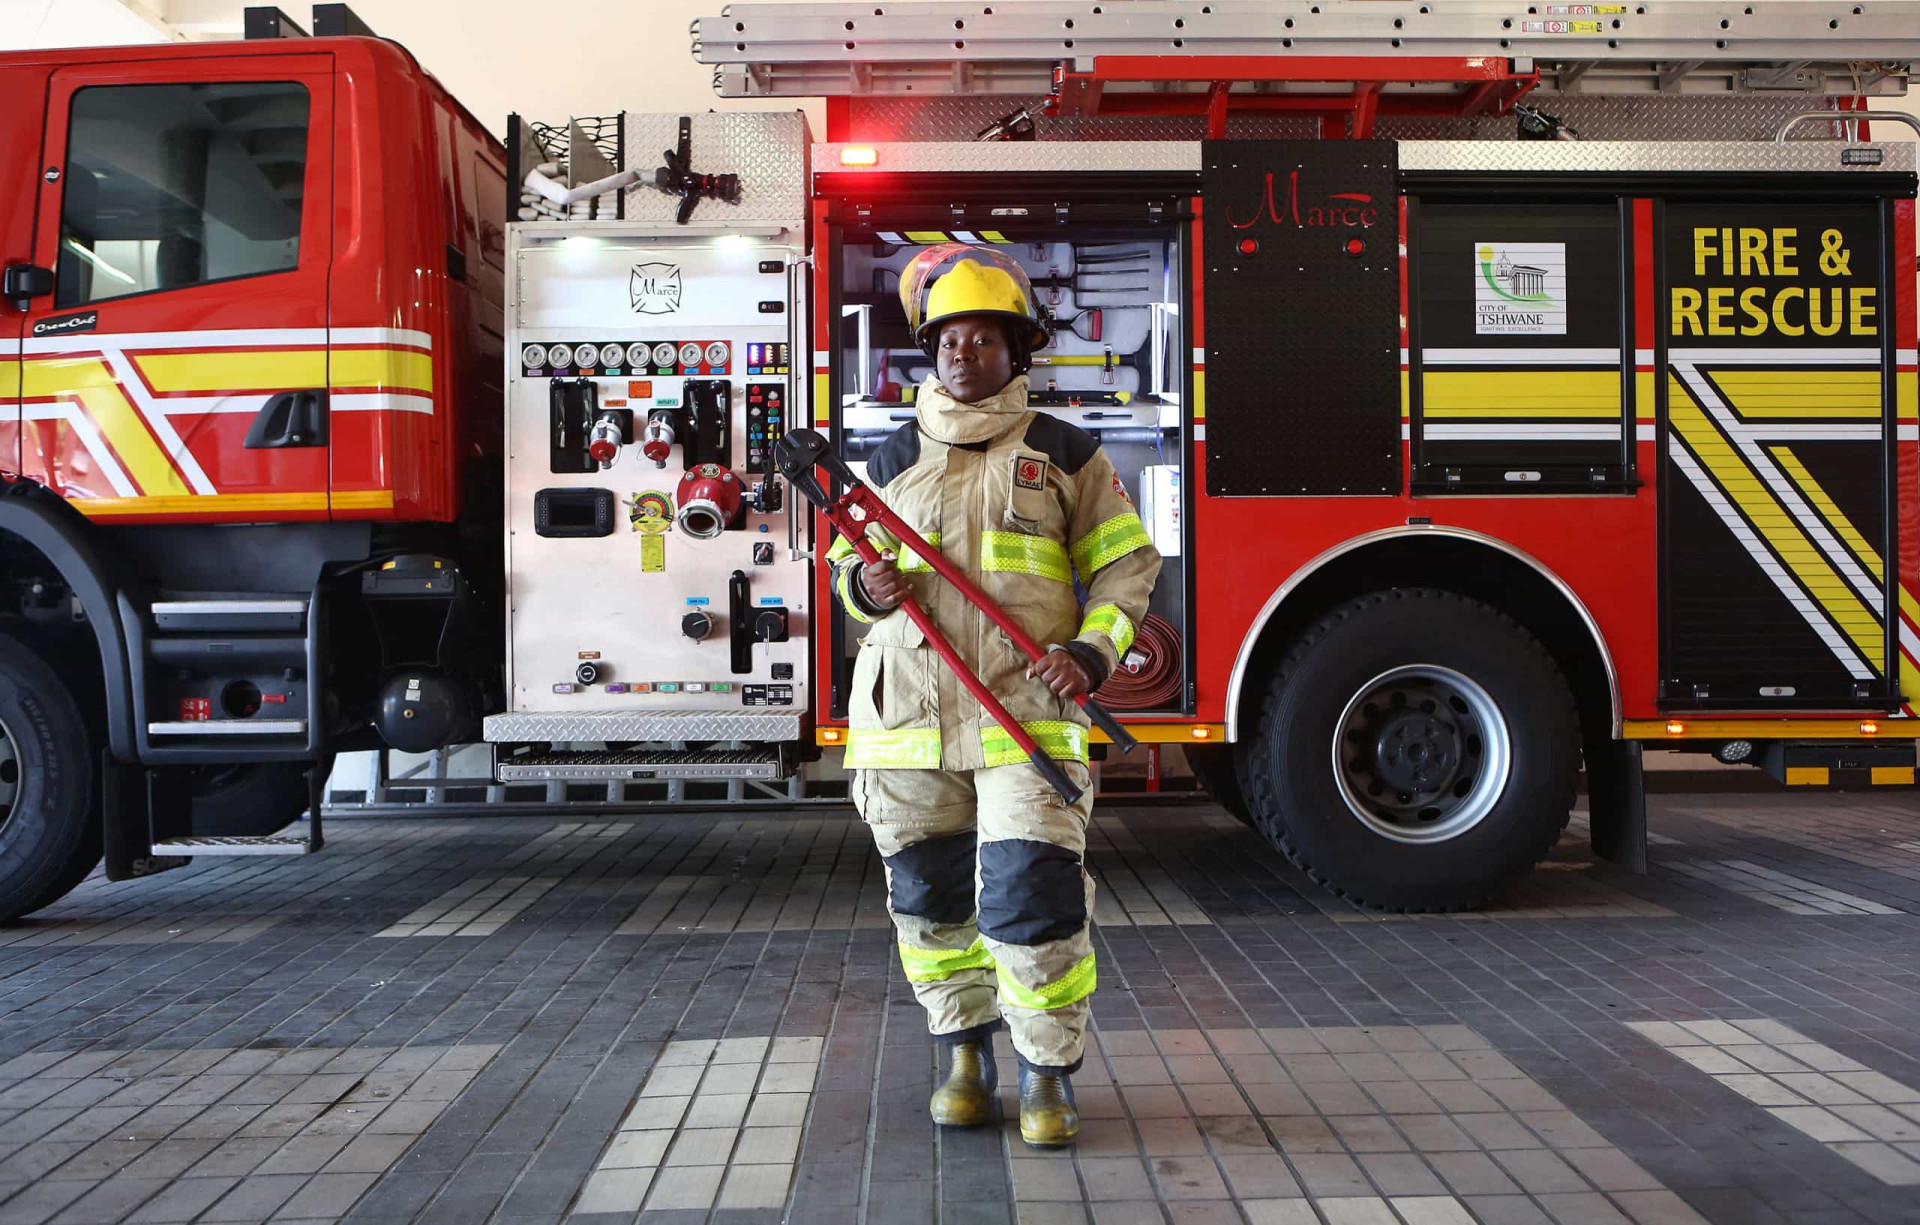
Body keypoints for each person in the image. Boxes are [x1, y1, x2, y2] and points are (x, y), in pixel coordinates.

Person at [826, 245, 1162, 1147]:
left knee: (1032, 898)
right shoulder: (889, 457)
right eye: (947, 340)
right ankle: (964, 1055)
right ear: (929, 352)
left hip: (1027, 720)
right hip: (908, 729)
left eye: (983, 338)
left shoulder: (1064, 452)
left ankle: (1047, 1074)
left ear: (1019, 352)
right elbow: (842, 570)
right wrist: (866, 587)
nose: (962, 354)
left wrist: (1092, 657)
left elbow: (1126, 562)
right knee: (932, 907)